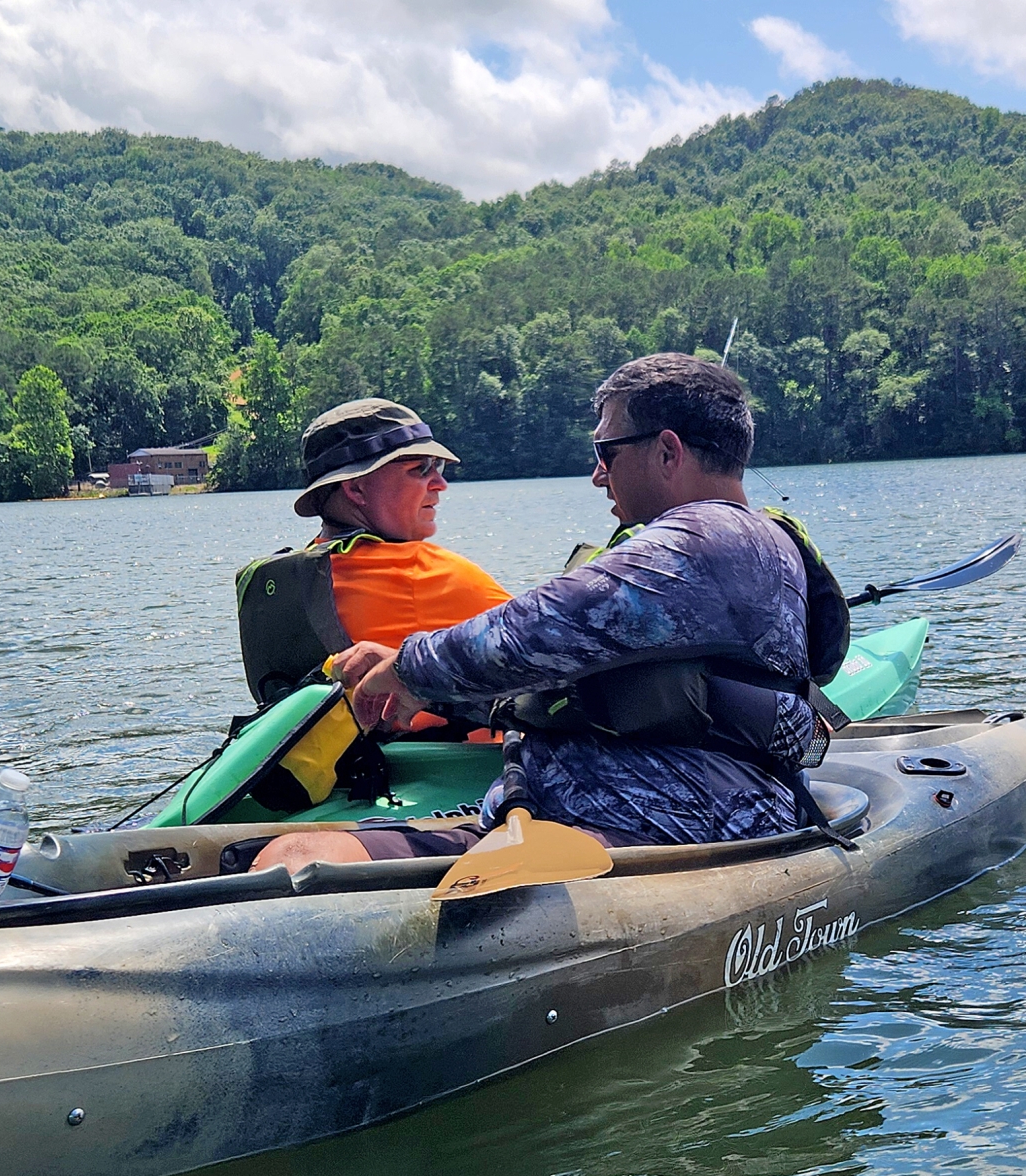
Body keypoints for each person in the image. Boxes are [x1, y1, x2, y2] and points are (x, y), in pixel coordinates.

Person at [252, 354, 850, 872]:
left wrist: (410, 670)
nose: (596, 475)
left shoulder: (712, 536)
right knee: (297, 857)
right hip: (546, 817)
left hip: (668, 827)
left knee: (312, 875)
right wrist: (424, 692)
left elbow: (542, 627)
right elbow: (564, 682)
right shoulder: (695, 547)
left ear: (667, 451)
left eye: (605, 451)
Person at [234, 398, 511, 707]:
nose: (440, 483)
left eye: (439, 467)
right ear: (356, 490)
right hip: (461, 753)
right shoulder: (424, 572)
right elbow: (557, 649)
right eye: (419, 468)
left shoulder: (297, 578)